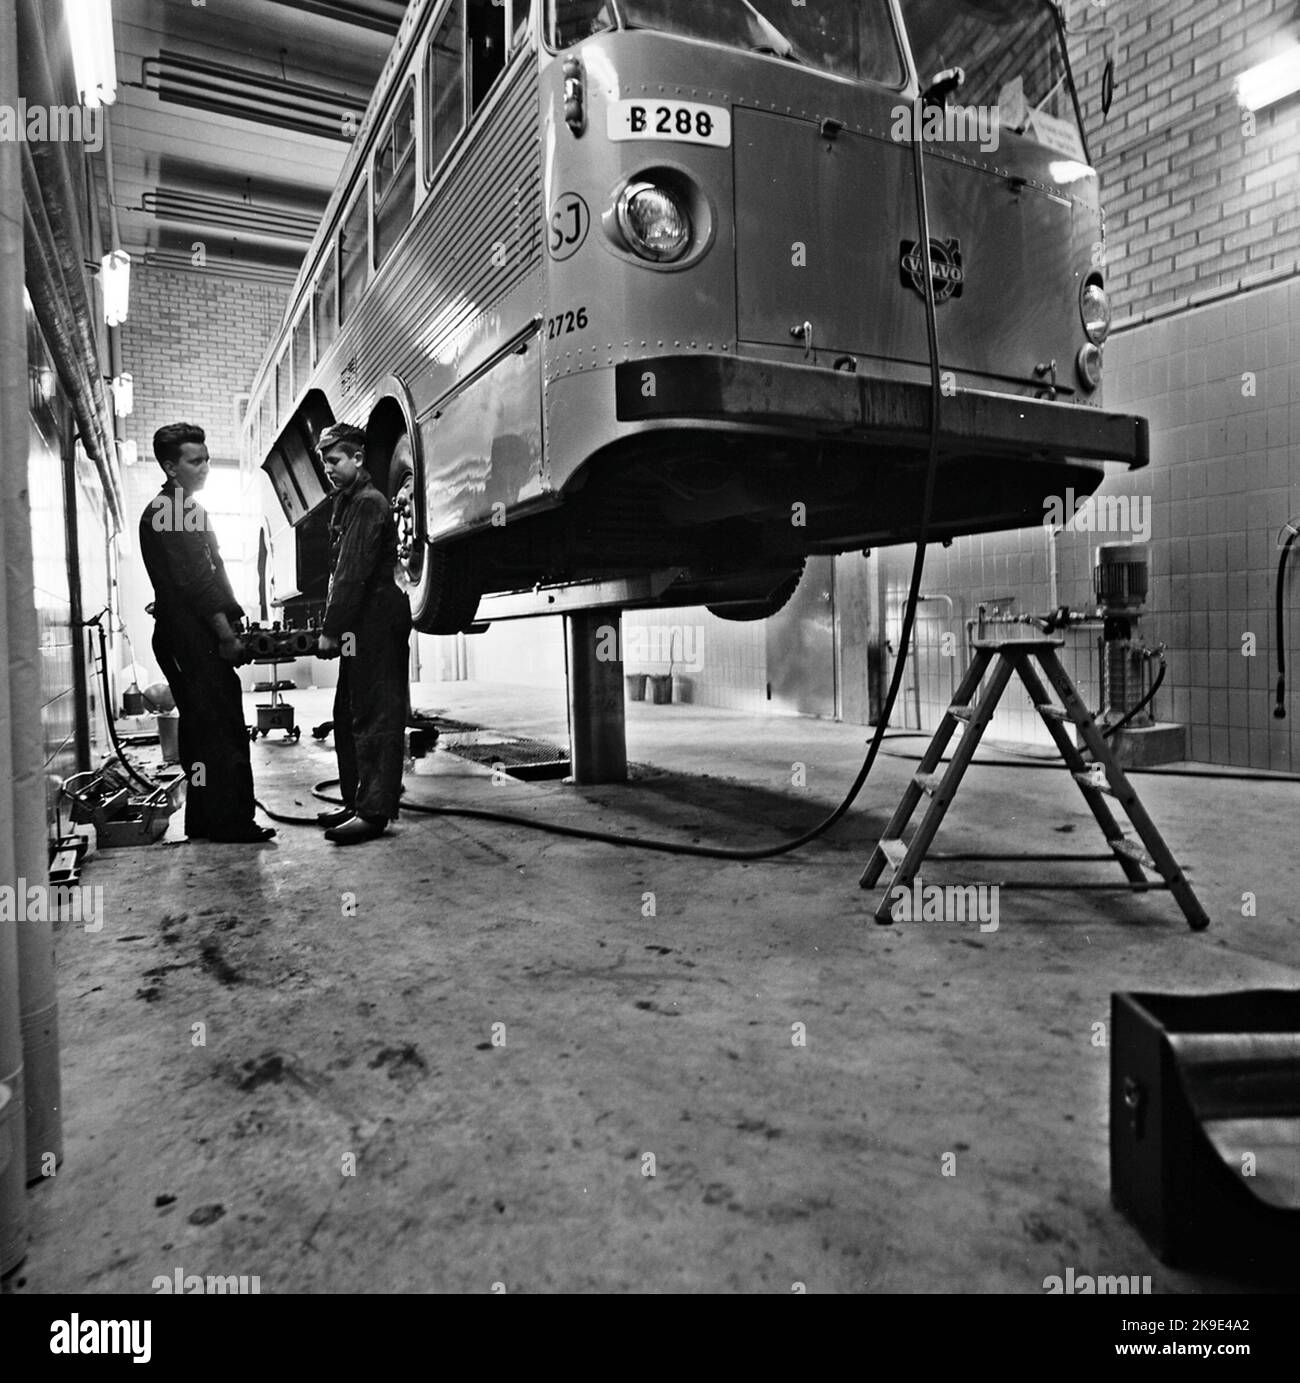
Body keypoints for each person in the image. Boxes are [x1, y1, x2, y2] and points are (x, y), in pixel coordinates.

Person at [139, 422, 274, 844]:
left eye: (207, 458)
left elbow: (211, 573)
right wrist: (226, 635)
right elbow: (196, 581)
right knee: (219, 728)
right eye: (195, 461)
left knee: (203, 728)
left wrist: (232, 619)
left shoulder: (185, 507)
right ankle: (230, 821)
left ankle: (204, 818)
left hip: (189, 634)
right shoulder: (171, 510)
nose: (205, 467)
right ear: (170, 466)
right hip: (190, 638)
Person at [314, 423, 412, 844]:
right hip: (362, 618)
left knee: (374, 715)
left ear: (357, 458)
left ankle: (373, 813)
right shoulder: (348, 502)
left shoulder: (369, 503)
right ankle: (357, 801)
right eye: (324, 462)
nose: (328, 469)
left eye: (334, 460)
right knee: (347, 713)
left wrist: (331, 630)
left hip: (376, 616)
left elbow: (352, 572)